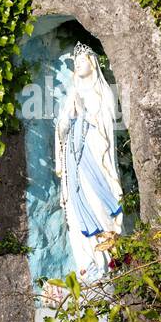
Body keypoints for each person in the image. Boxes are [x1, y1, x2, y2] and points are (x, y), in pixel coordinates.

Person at [54, 44, 123, 283]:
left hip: (95, 159)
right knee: (76, 208)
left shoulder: (102, 91)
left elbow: (106, 124)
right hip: (75, 162)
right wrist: (69, 117)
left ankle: (109, 262)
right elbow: (61, 130)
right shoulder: (72, 94)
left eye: (81, 61)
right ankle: (90, 264)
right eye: (75, 63)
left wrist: (86, 114)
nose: (77, 65)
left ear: (92, 62)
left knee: (98, 204)